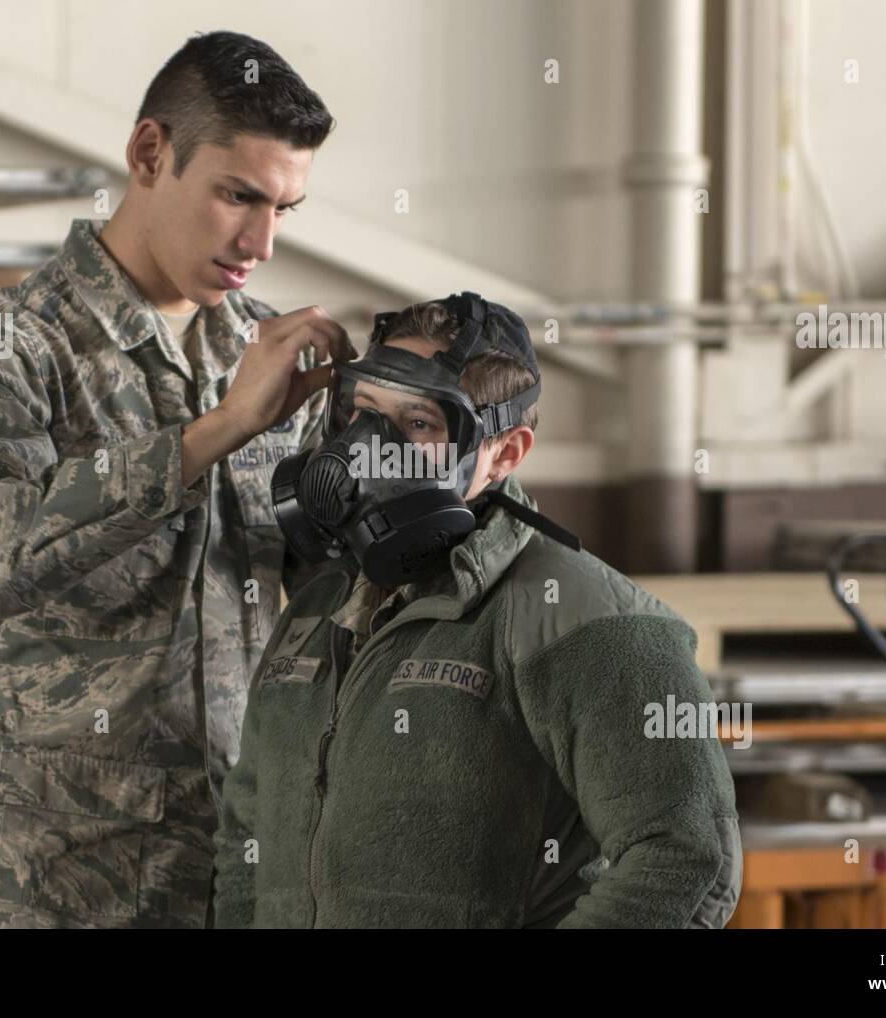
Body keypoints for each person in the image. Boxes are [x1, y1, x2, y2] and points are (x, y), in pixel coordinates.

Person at [0, 30, 352, 928]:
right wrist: (214, 432)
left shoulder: (269, 356)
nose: (260, 242)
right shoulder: (4, 350)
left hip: (243, 868)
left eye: (283, 210)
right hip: (56, 882)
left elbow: (321, 595)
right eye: (237, 195)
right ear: (150, 153)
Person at [212, 292, 742, 928]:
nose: (367, 449)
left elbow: (688, 858)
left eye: (418, 425)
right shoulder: (318, 604)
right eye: (363, 412)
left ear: (506, 452)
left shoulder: (591, 621)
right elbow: (249, 831)